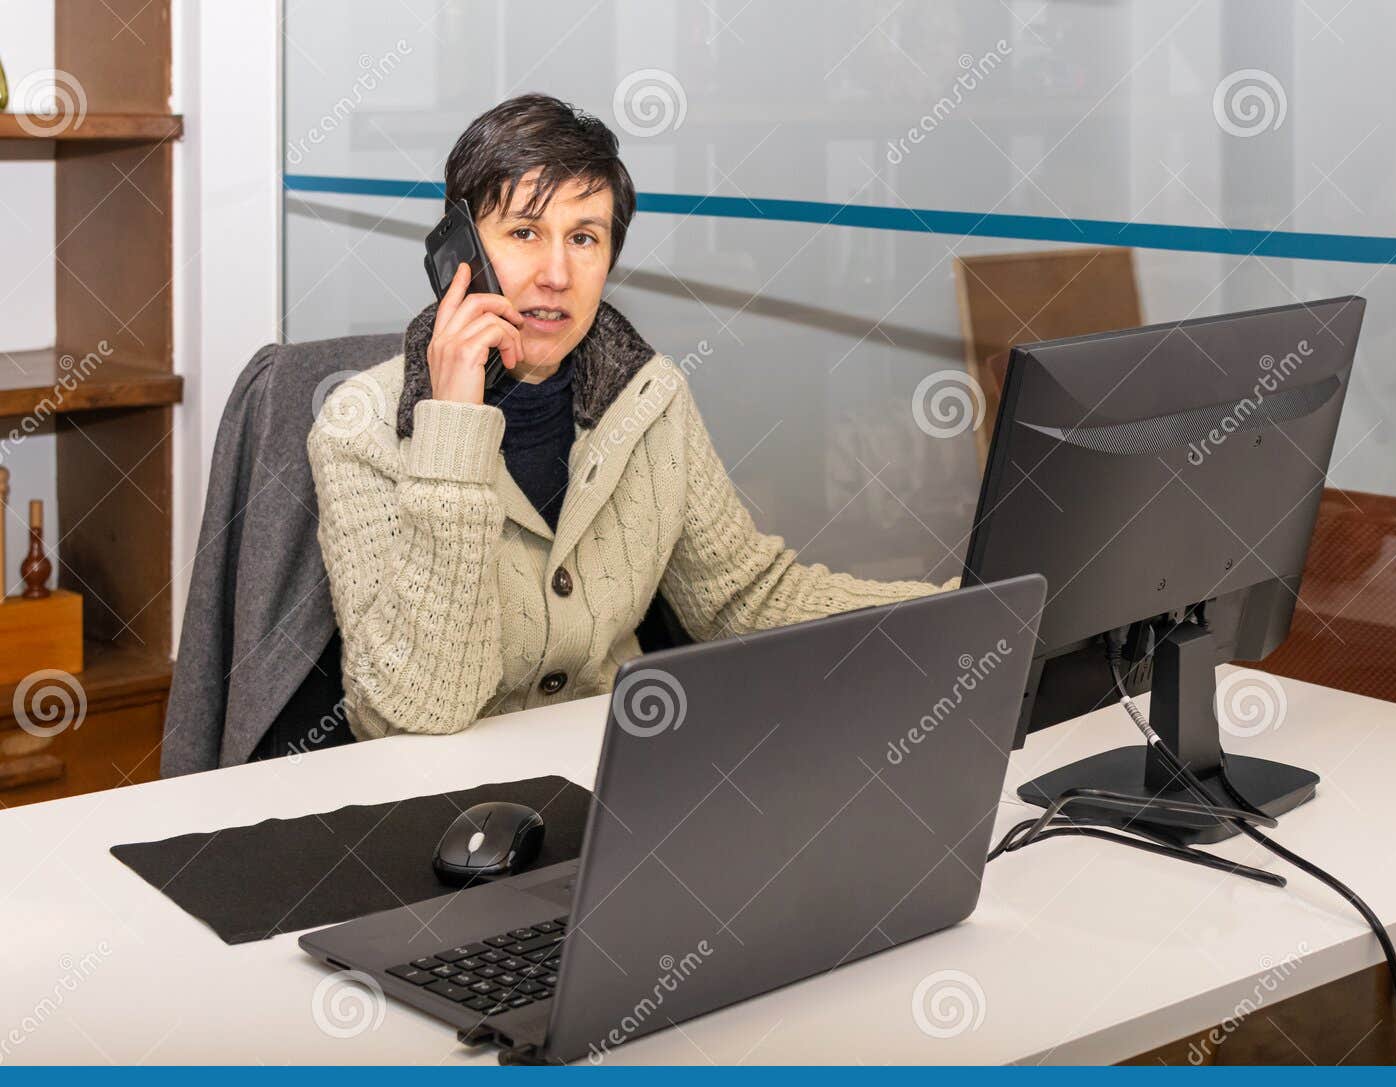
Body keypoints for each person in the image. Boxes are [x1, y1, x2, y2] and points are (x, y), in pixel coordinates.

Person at [306, 93, 952, 739]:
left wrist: (962, 606)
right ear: (461, 251)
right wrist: (449, 429)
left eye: (584, 238)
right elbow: (418, 714)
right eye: (524, 232)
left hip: (623, 761)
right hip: (440, 804)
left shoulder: (647, 398)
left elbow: (745, 601)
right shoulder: (360, 426)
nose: (557, 274)